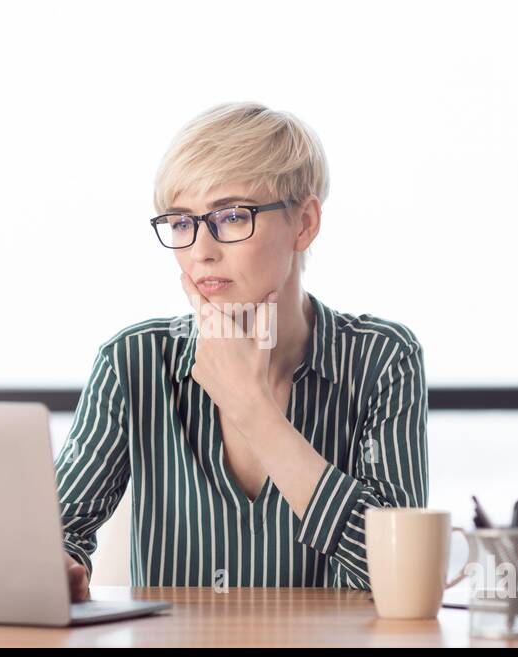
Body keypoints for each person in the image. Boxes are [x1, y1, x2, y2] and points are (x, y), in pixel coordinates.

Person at [55, 102, 428, 600]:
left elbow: (401, 577)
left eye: (230, 217)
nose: (201, 251)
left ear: (305, 223)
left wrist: (253, 410)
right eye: (182, 223)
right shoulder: (134, 361)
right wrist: (55, 564)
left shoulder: (382, 358)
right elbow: (58, 533)